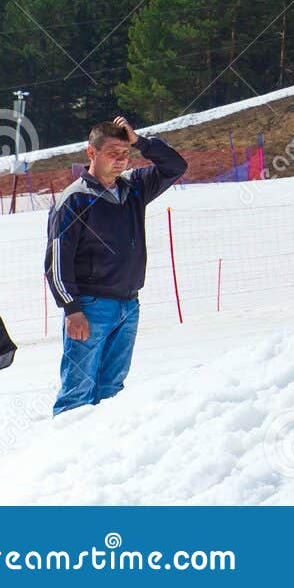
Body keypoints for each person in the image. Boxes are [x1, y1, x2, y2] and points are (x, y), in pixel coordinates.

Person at [46, 117, 188, 414]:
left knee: (112, 390)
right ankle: (65, 456)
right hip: (90, 307)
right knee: (77, 392)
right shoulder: (74, 199)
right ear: (91, 153)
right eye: (113, 152)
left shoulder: (134, 187)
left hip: (129, 305)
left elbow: (176, 167)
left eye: (125, 153)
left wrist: (141, 143)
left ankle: (104, 456)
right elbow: (56, 261)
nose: (121, 160)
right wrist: (72, 309)